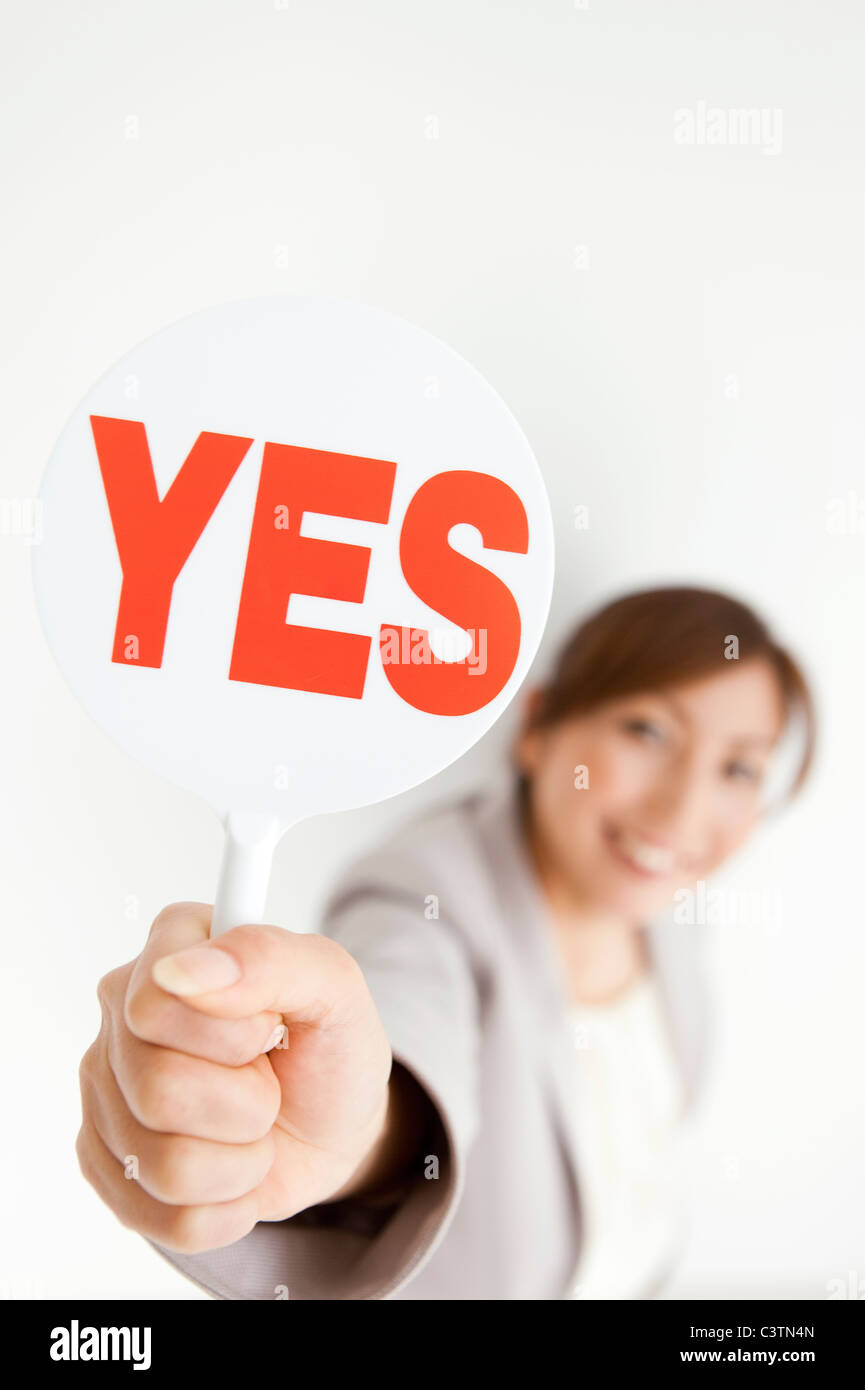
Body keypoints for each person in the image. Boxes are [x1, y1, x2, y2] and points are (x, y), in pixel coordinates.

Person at [76, 585, 816, 1300]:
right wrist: (366, 1134)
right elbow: (401, 1057)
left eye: (739, 768)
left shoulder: (668, 913)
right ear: (536, 729)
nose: (683, 806)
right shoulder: (421, 895)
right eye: (647, 731)